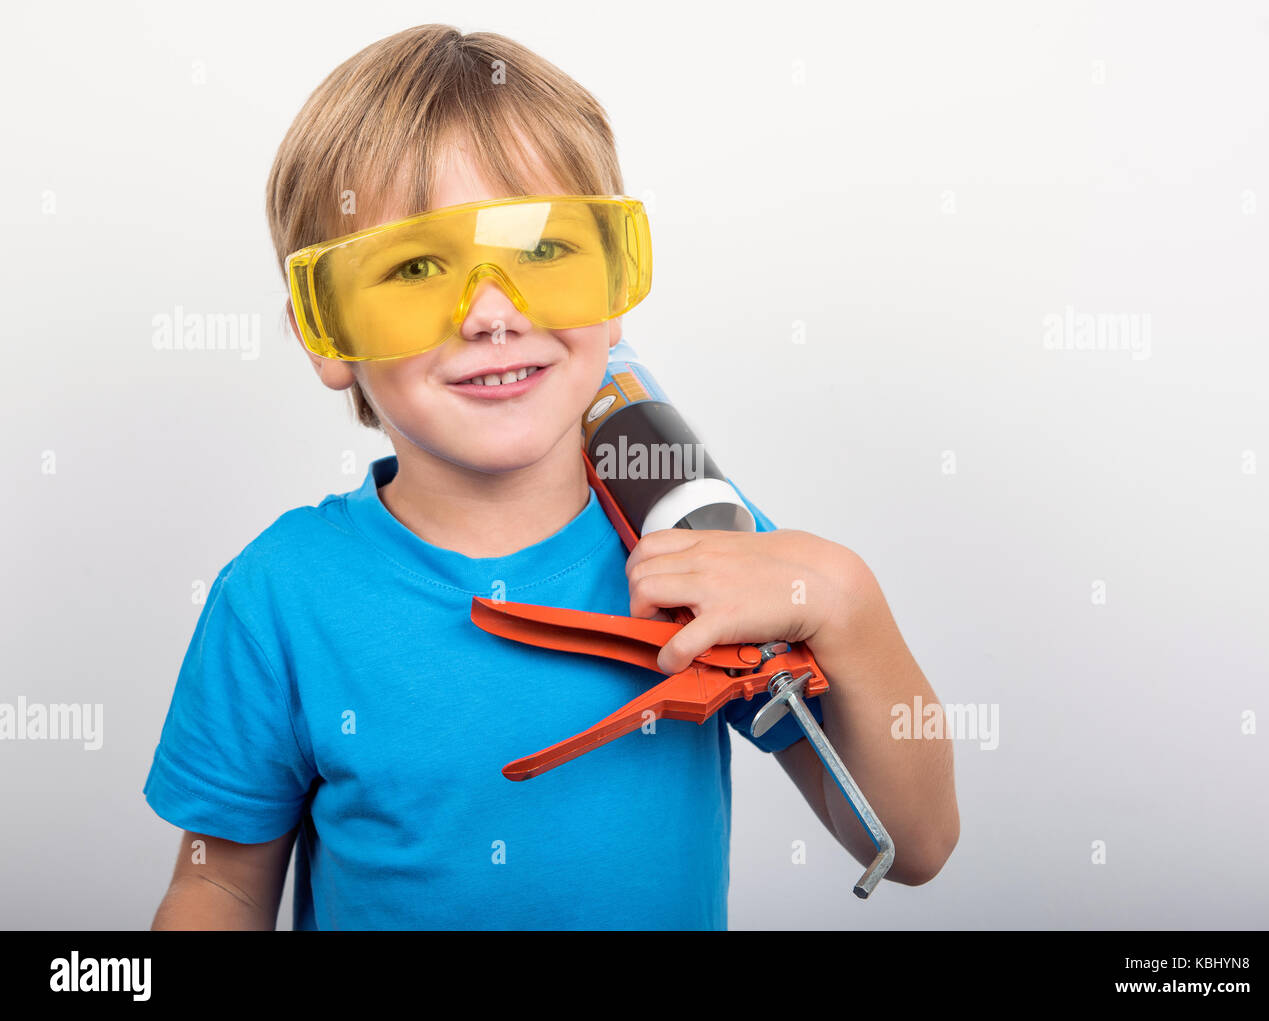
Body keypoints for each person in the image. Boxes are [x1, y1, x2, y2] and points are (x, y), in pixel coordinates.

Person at [143, 23, 959, 930]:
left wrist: (846, 598)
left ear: (613, 294)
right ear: (325, 331)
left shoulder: (698, 538)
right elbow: (219, 882)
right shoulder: (278, 596)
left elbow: (912, 842)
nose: (493, 313)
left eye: (544, 252)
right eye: (416, 267)